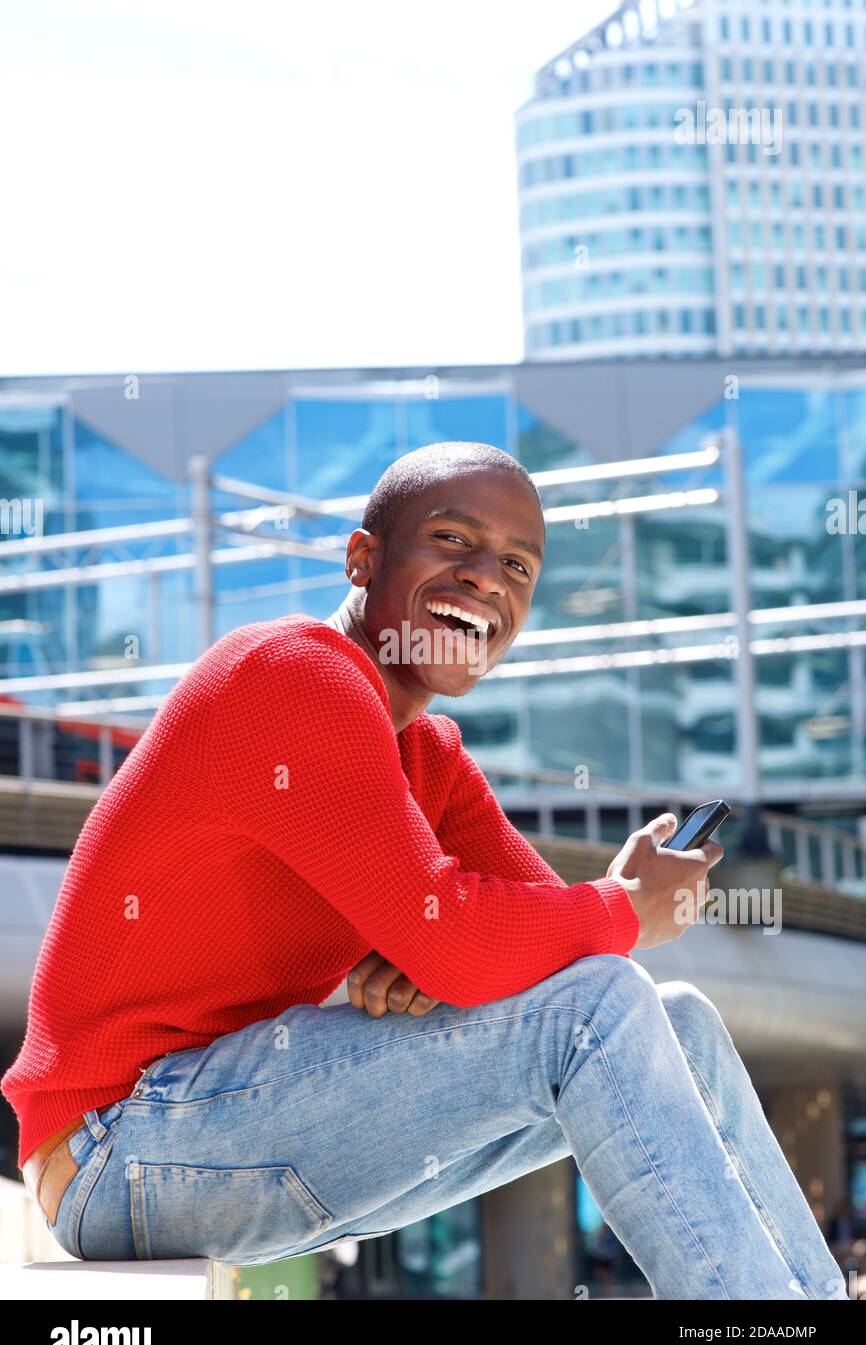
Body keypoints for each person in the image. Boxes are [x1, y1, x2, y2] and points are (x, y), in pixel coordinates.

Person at [0, 442, 847, 1300]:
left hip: (220, 1123)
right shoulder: (297, 676)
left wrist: (485, 940)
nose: (487, 578)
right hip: (116, 1146)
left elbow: (542, 962)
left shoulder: (428, 755)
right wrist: (599, 910)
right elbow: (500, 955)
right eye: (453, 541)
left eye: (517, 565)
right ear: (363, 558)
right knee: (601, 1007)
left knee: (682, 1025)